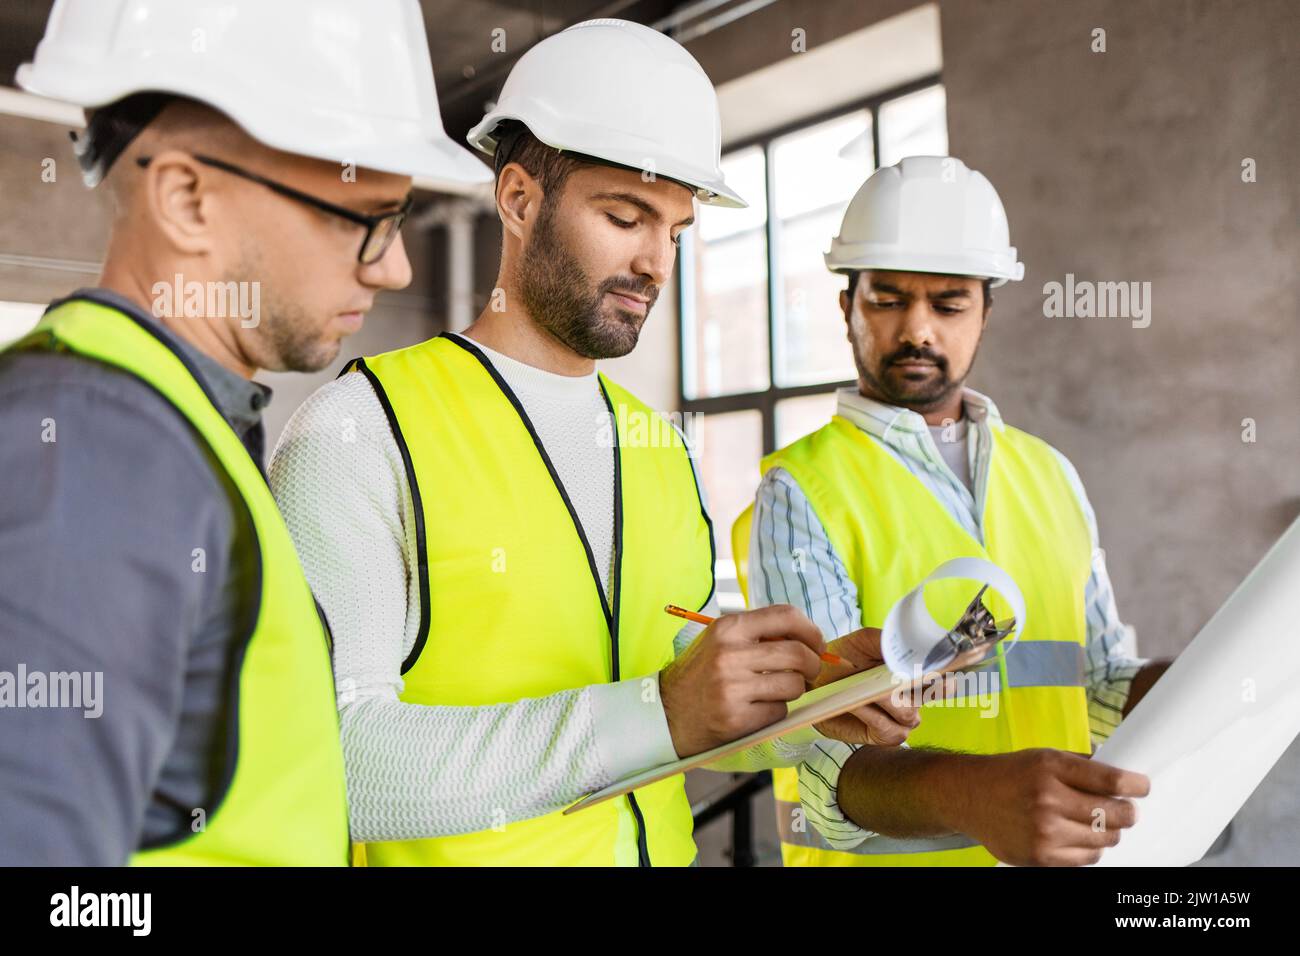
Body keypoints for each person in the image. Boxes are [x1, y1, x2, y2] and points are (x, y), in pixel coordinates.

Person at [270, 19, 917, 867]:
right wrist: (661, 710)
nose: (656, 262)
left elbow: (669, 701)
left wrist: (796, 705)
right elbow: (341, 761)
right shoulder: (359, 430)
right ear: (518, 199)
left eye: (676, 232)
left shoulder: (656, 446)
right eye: (625, 216)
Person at [0, 0, 490, 865]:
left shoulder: (179, 426)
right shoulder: (94, 450)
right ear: (188, 199)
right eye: (362, 217)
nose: (396, 265)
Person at [742, 156, 1170, 867]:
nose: (917, 329)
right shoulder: (800, 491)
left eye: (947, 303)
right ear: (845, 306)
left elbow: (1095, 687)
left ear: (985, 312)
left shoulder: (1050, 474)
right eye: (886, 299)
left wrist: (1232, 672)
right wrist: (974, 793)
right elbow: (821, 749)